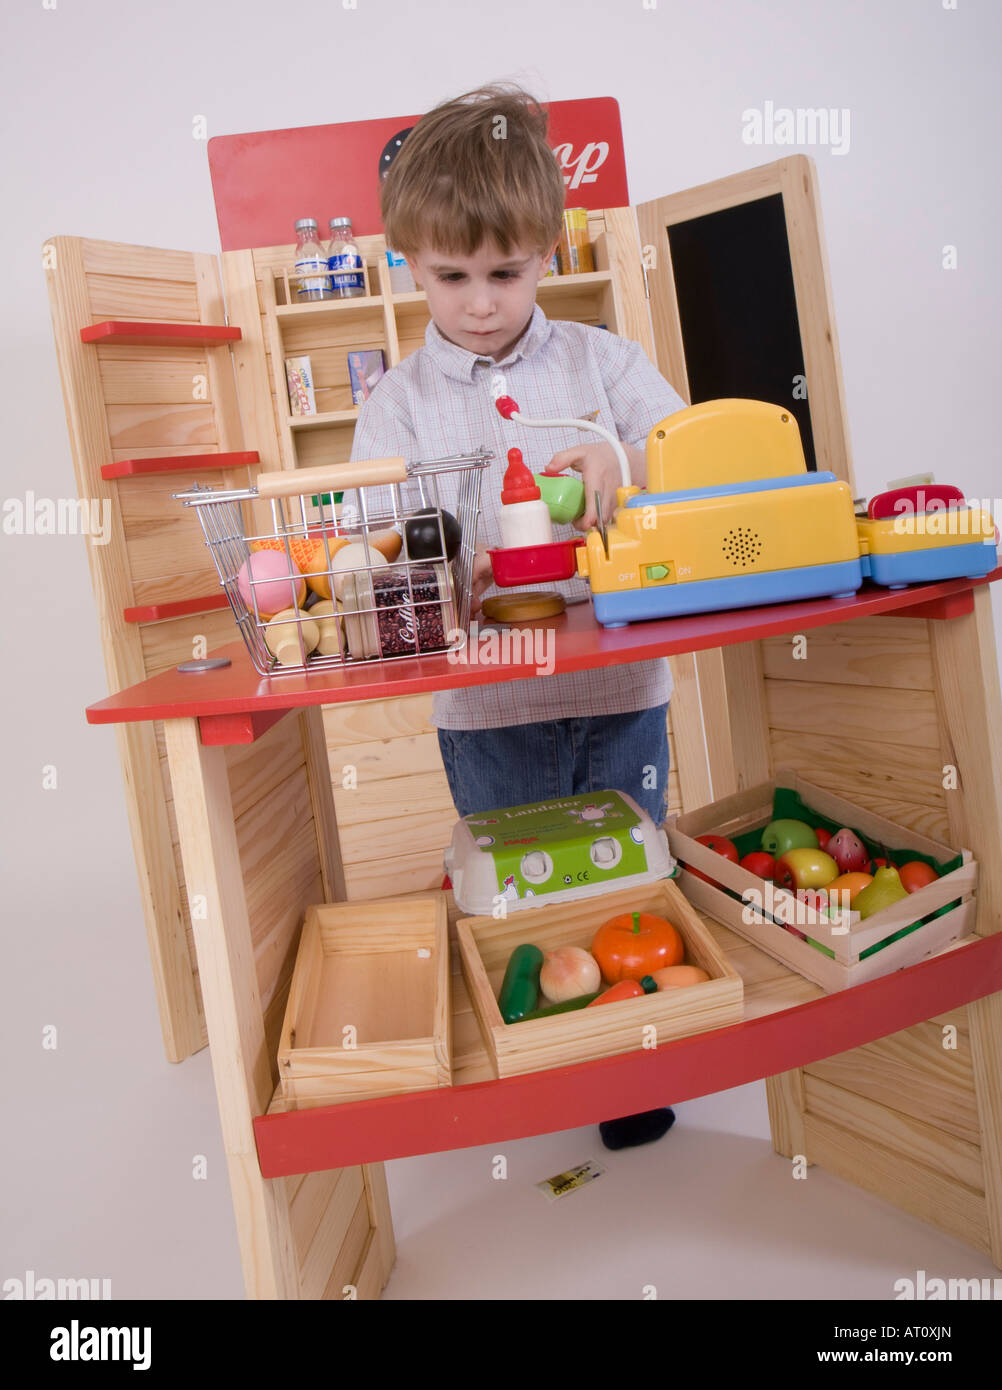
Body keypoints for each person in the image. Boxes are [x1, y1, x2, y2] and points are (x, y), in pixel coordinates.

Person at [347, 81, 687, 1150]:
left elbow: (696, 454)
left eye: (509, 270)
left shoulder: (599, 362)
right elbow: (376, 530)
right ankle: (541, 1064)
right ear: (411, 261)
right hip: (489, 710)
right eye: (453, 276)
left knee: (631, 876)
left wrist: (623, 460)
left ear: (549, 247)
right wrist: (420, 551)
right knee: (516, 898)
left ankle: (630, 1068)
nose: (483, 301)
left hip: (622, 693)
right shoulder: (397, 401)